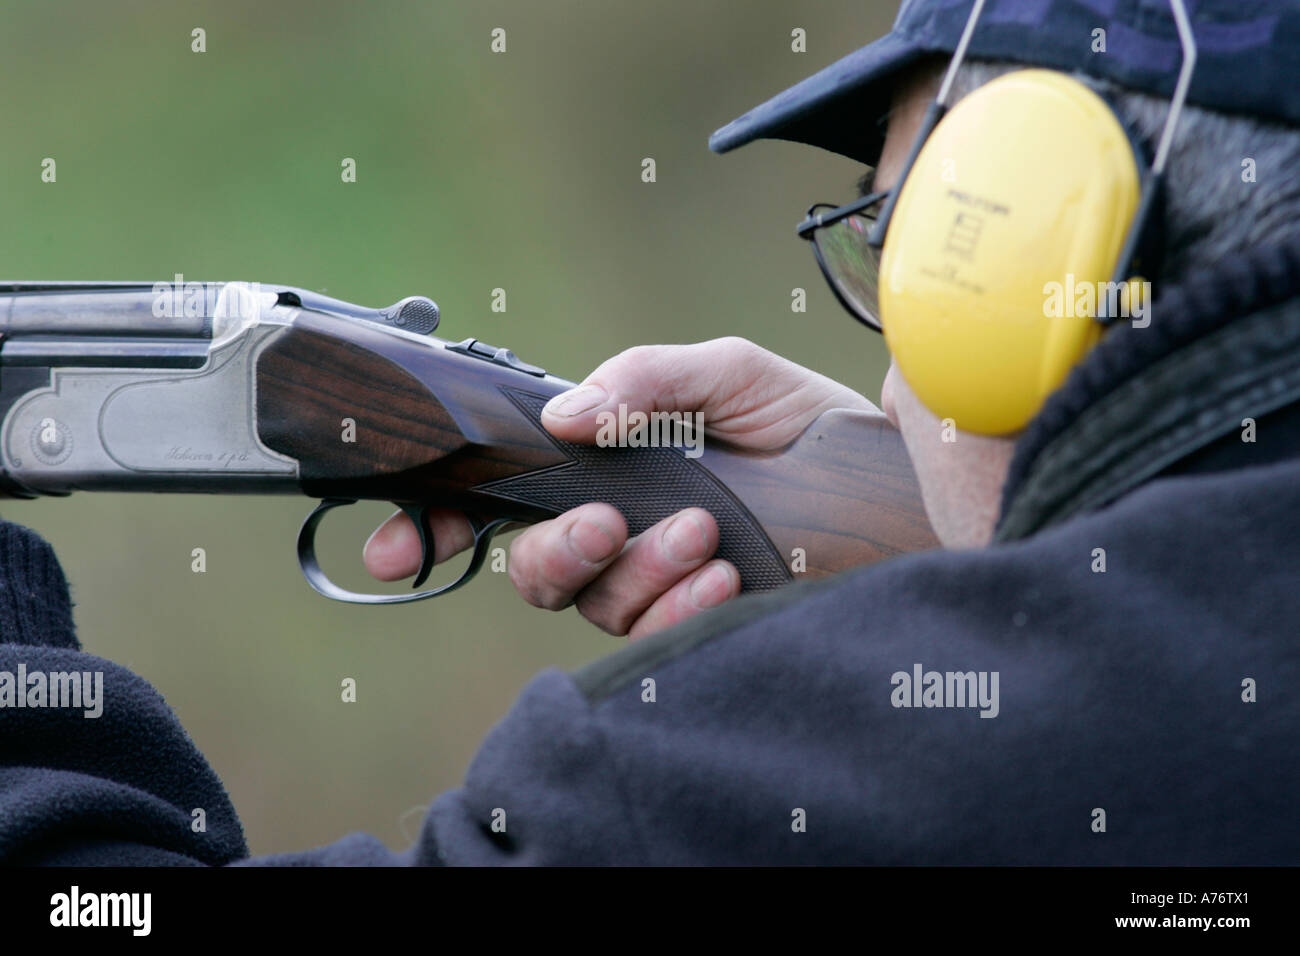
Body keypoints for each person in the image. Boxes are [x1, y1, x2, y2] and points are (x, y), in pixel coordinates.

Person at [2, 0, 1298, 865]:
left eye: (910, 247)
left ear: (1046, 250)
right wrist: (941, 550)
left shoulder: (689, 779)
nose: (892, 391)